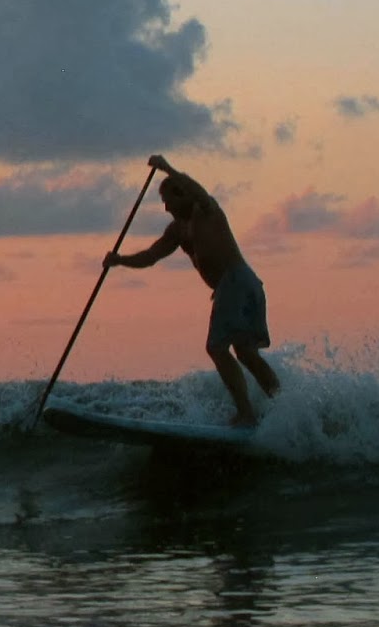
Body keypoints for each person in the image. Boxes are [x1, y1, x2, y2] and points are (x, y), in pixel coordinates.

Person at [103, 154, 280, 427]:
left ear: (182, 194)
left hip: (237, 282)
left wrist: (168, 169)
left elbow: (198, 190)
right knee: (244, 352)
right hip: (240, 286)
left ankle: (247, 414)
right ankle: (284, 408)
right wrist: (119, 261)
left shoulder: (206, 210)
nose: (166, 209)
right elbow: (151, 256)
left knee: (217, 347)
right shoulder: (176, 231)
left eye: (168, 202)